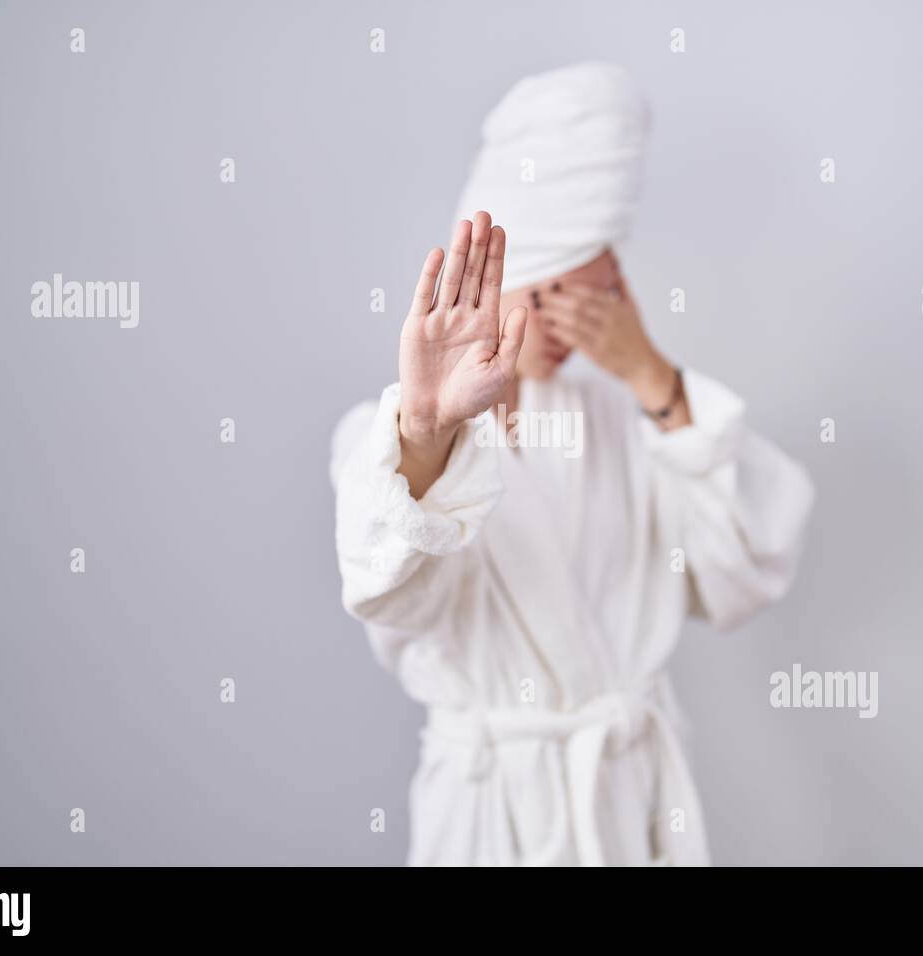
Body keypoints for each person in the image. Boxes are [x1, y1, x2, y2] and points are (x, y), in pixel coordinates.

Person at [330, 63, 814, 866]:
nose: (573, 324)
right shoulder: (382, 436)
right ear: (499, 276)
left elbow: (744, 570)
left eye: (598, 291)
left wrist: (651, 374)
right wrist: (426, 424)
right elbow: (394, 599)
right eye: (552, 290)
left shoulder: (626, 423)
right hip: (493, 819)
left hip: (626, 811)